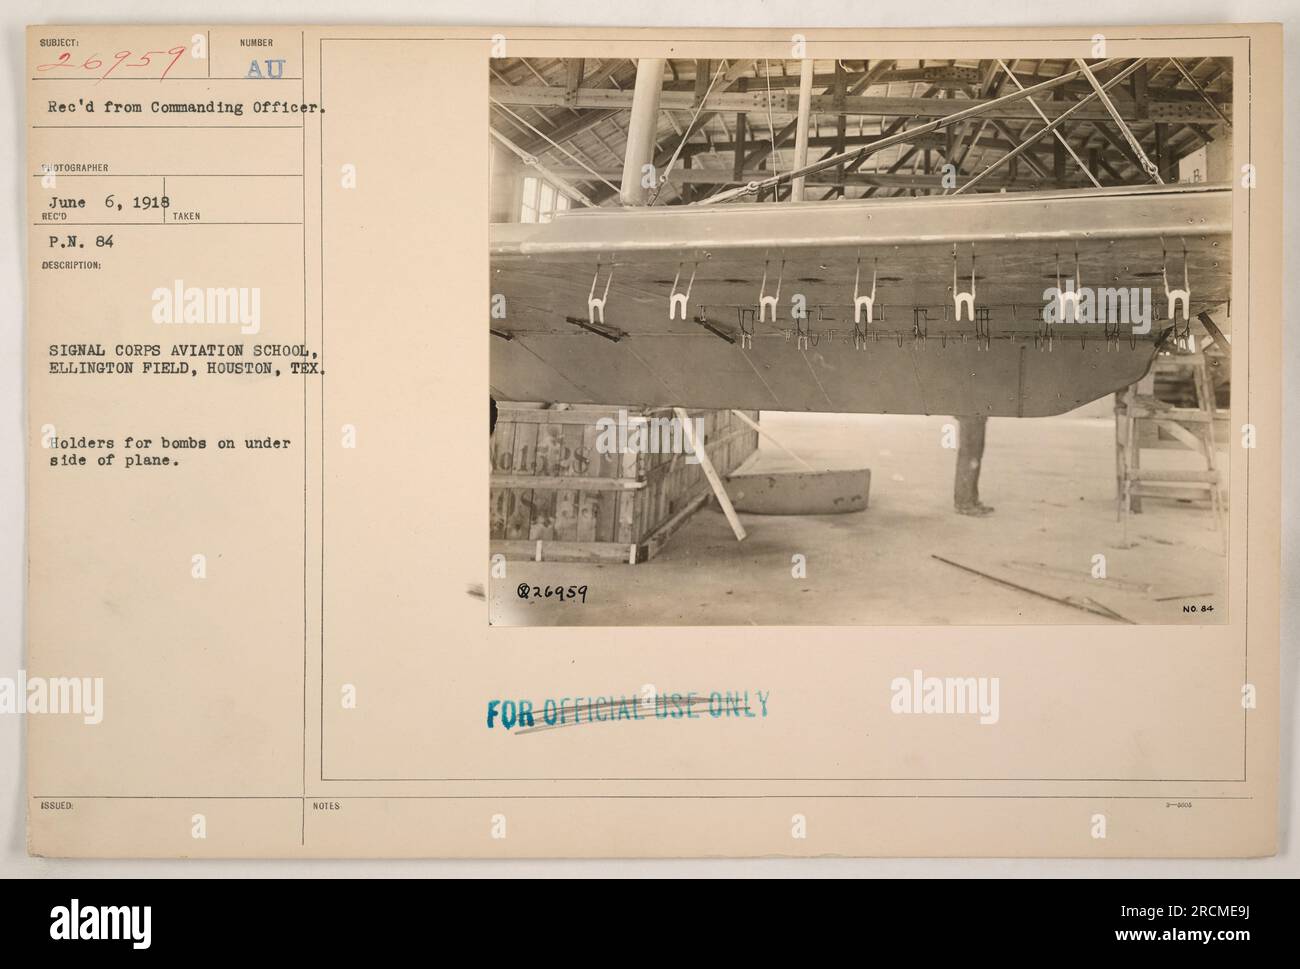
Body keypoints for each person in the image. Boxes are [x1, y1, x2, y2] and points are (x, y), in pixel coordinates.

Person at [953, 414, 994, 516]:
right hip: (969, 414)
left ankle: (971, 500)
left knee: (975, 456)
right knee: (969, 456)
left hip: (976, 414)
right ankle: (964, 503)